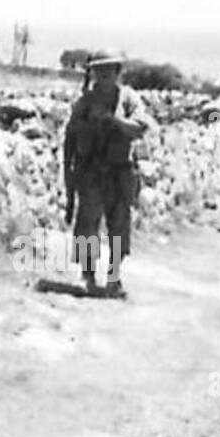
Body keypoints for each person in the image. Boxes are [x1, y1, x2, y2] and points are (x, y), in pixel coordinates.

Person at [62, 56, 157, 298]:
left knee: (119, 228)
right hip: (91, 171)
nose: (103, 75)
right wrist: (70, 178)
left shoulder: (129, 99)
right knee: (87, 226)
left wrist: (112, 120)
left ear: (117, 72)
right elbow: (70, 139)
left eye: (108, 70)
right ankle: (88, 276)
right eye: (98, 70)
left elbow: (139, 129)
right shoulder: (84, 102)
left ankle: (114, 278)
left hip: (119, 171)